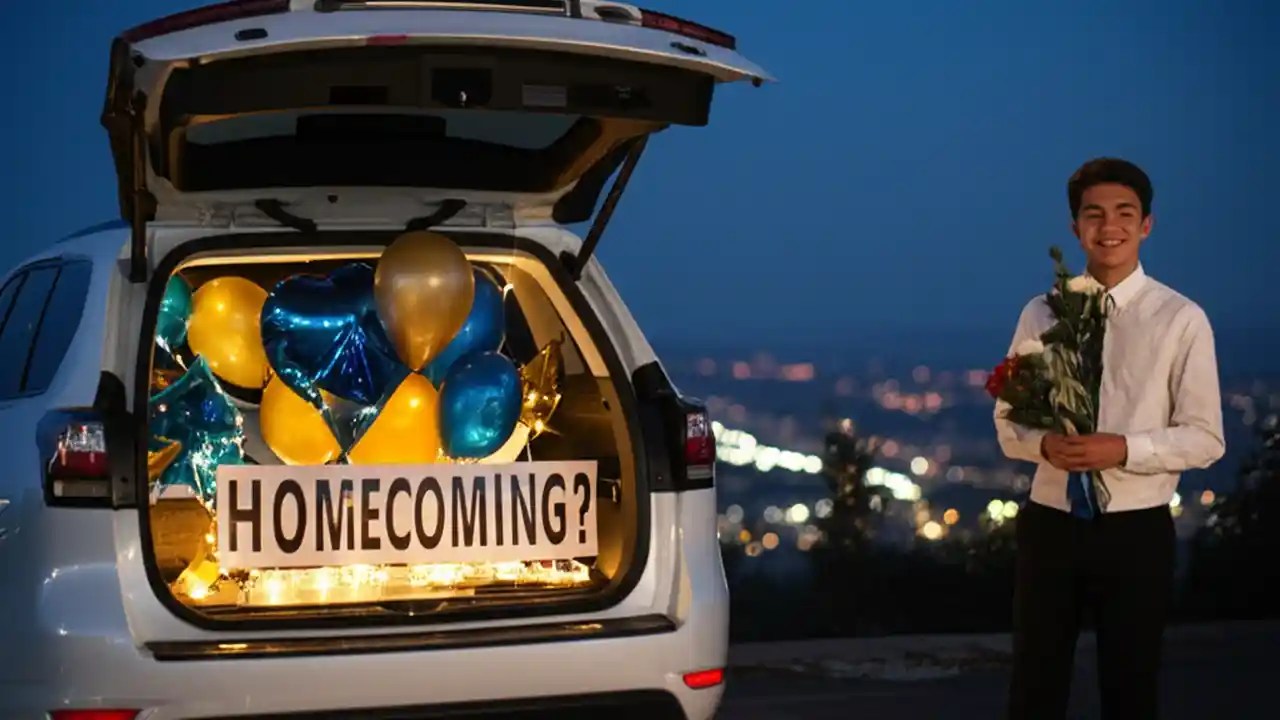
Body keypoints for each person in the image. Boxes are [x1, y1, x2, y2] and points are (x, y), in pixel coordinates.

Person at [994, 157, 1226, 719]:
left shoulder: (1180, 319)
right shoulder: (1042, 311)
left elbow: (1205, 437)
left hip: (1135, 529)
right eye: (1093, 214)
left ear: (1147, 224)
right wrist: (1044, 446)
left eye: (1124, 213)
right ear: (1075, 228)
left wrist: (1122, 448)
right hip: (1051, 520)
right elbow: (1009, 421)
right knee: (1034, 684)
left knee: (1130, 685)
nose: (1108, 226)